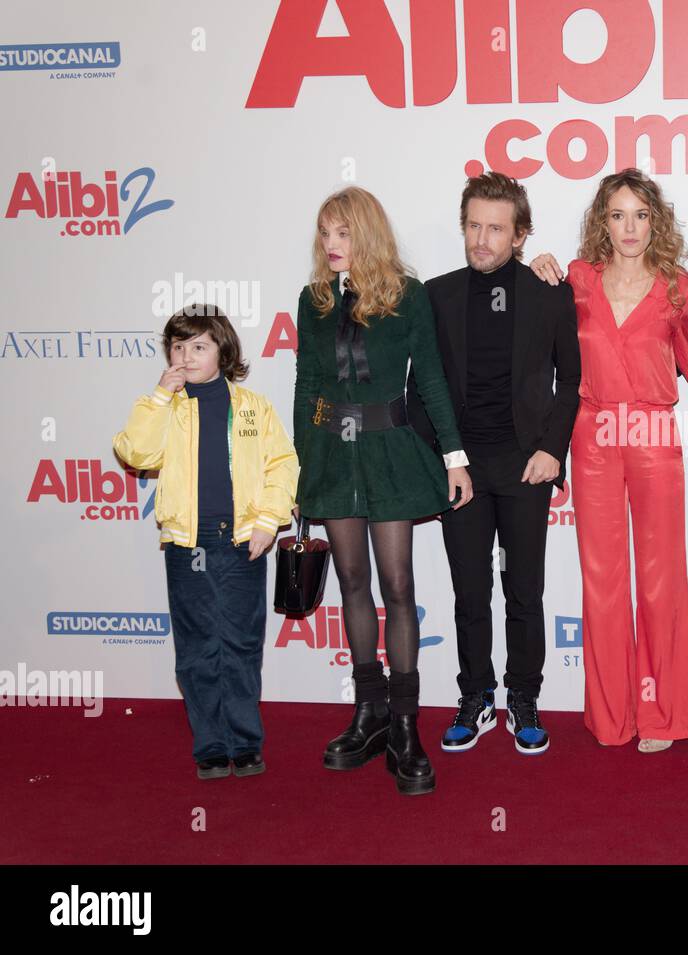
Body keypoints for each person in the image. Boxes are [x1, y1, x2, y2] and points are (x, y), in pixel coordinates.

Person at [293, 185, 472, 796]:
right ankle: (367, 716)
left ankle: (403, 726)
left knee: (398, 586)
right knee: (351, 584)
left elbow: (432, 382)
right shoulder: (313, 301)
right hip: (334, 459)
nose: (331, 245)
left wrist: (454, 457)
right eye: (325, 233)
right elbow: (307, 385)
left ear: (365, 234)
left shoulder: (406, 295)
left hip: (392, 452)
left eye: (342, 233)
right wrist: (303, 466)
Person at [529, 168, 688, 752]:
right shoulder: (578, 279)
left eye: (639, 214)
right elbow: (541, 345)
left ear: (654, 220)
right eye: (617, 215)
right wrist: (533, 274)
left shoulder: (678, 285)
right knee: (602, 580)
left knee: (661, 581)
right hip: (593, 434)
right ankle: (612, 717)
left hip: (654, 431)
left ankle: (661, 715)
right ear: (601, 222)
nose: (629, 227)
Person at [406, 172, 580, 756]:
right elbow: (422, 390)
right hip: (462, 469)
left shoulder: (547, 291)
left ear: (520, 235)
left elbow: (571, 380)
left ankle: (523, 698)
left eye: (496, 229)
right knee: (469, 591)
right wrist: (437, 462)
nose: (482, 239)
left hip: (526, 464)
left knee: (524, 592)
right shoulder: (437, 293)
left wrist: (552, 450)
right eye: (473, 226)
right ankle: (475, 696)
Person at [113, 305, 299, 780]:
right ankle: (211, 746)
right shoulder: (165, 407)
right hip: (186, 544)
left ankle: (245, 741)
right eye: (179, 347)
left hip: (242, 543)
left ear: (223, 349)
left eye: (199, 346)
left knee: (240, 644)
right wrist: (158, 397)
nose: (188, 356)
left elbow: (282, 464)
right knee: (197, 649)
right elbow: (135, 452)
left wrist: (267, 521)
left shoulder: (253, 406)